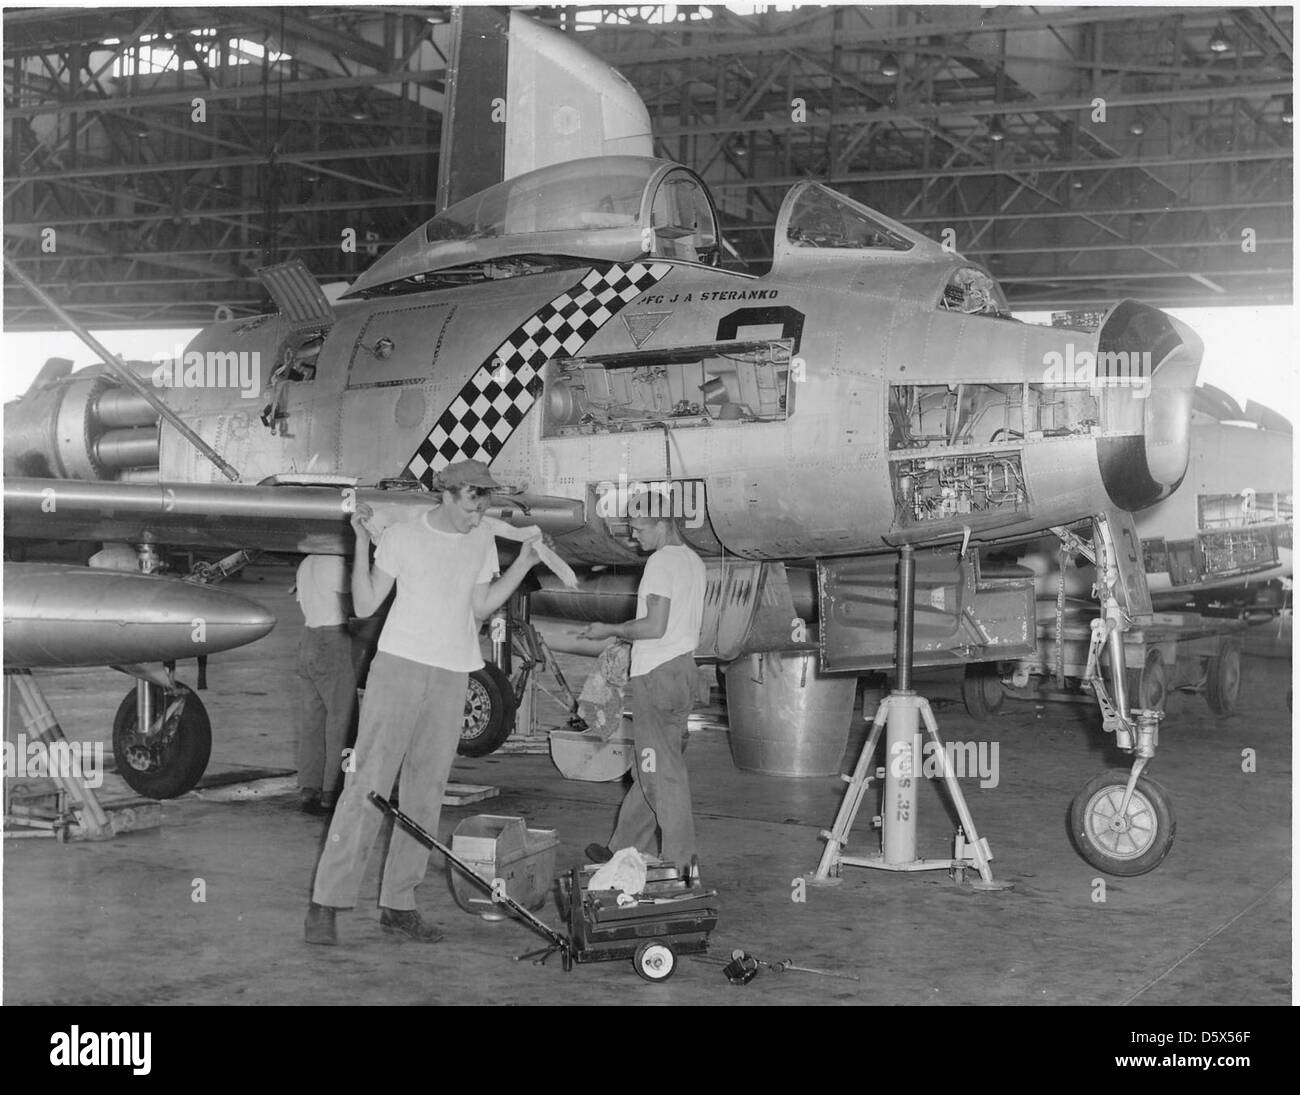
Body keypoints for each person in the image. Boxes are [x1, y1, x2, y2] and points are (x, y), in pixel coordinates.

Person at [304, 459, 542, 946]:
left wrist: (522, 564)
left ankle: (400, 903)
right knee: (367, 783)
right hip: (399, 668)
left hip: (454, 671)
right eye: (473, 500)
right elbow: (367, 606)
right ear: (448, 494)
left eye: (486, 501)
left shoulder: (480, 542)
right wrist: (362, 542)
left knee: (425, 793)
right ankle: (326, 903)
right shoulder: (405, 537)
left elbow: (478, 606)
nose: (481, 512)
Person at [577, 510, 706, 869]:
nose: (635, 538)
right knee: (652, 763)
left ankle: (681, 862)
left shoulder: (661, 561)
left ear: (663, 524)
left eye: (639, 529)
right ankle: (622, 847)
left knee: (661, 773)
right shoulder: (693, 561)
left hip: (656, 676)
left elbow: (654, 626)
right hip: (682, 671)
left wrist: (609, 629)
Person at [294, 554, 357, 815]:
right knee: (342, 721)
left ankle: (309, 786)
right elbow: (352, 607)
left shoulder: (306, 562)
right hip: (332, 641)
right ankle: (335, 789)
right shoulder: (335, 563)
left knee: (312, 720)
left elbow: (303, 601)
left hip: (307, 637)